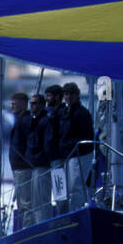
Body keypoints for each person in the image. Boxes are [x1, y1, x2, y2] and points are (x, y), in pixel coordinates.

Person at [59, 82, 94, 210]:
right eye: (66, 94)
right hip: (69, 154)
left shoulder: (82, 113)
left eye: (70, 94)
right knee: (68, 188)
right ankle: (70, 212)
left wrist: (68, 145)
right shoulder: (65, 112)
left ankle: (77, 211)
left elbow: (85, 135)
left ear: (77, 95)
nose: (68, 97)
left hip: (80, 154)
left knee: (75, 186)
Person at [8, 92, 33, 227]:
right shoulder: (20, 120)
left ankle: (28, 228)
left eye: (14, 104)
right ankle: (28, 226)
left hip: (23, 167)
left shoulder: (25, 121)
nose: (12, 106)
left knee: (25, 202)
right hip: (19, 167)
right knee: (23, 201)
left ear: (23, 104)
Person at [26, 92, 50, 225]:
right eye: (31, 103)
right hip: (35, 165)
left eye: (35, 103)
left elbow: (45, 144)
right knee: (35, 201)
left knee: (41, 200)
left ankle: (43, 225)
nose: (32, 106)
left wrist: (38, 157)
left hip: (42, 165)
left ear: (42, 105)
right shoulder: (35, 121)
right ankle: (38, 225)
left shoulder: (44, 121)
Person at [43, 84, 65, 209]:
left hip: (58, 157)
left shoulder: (62, 114)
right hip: (50, 158)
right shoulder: (49, 113)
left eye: (49, 96)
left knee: (59, 191)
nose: (46, 99)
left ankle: (62, 215)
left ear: (57, 97)